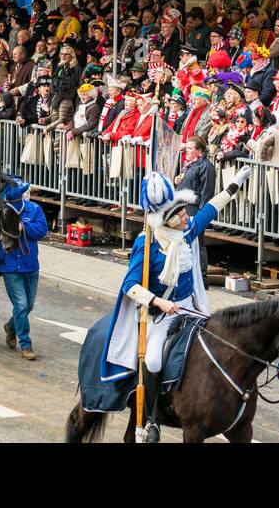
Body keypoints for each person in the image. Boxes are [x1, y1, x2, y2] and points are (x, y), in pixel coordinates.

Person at [101, 165, 252, 442]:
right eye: (181, 215)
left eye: (184, 213)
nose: (186, 217)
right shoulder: (146, 246)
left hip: (189, 308)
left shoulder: (186, 232)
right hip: (161, 315)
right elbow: (130, 286)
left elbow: (210, 210)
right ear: (168, 221)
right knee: (155, 359)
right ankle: (151, 417)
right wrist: (158, 301)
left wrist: (234, 186)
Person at [0, 179, 48, 361]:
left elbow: (42, 230)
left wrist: (24, 227)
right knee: (21, 305)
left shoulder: (34, 210)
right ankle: (25, 344)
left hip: (30, 265)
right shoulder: (0, 211)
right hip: (10, 266)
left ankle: (11, 326)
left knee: (29, 305)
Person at [174, 135, 216, 286]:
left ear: (199, 151)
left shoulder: (206, 166)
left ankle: (202, 278)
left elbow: (207, 191)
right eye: (187, 148)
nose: (187, 151)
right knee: (185, 241)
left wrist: (202, 214)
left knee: (198, 242)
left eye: (190, 149)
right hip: (183, 206)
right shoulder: (190, 164)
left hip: (194, 208)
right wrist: (176, 180)